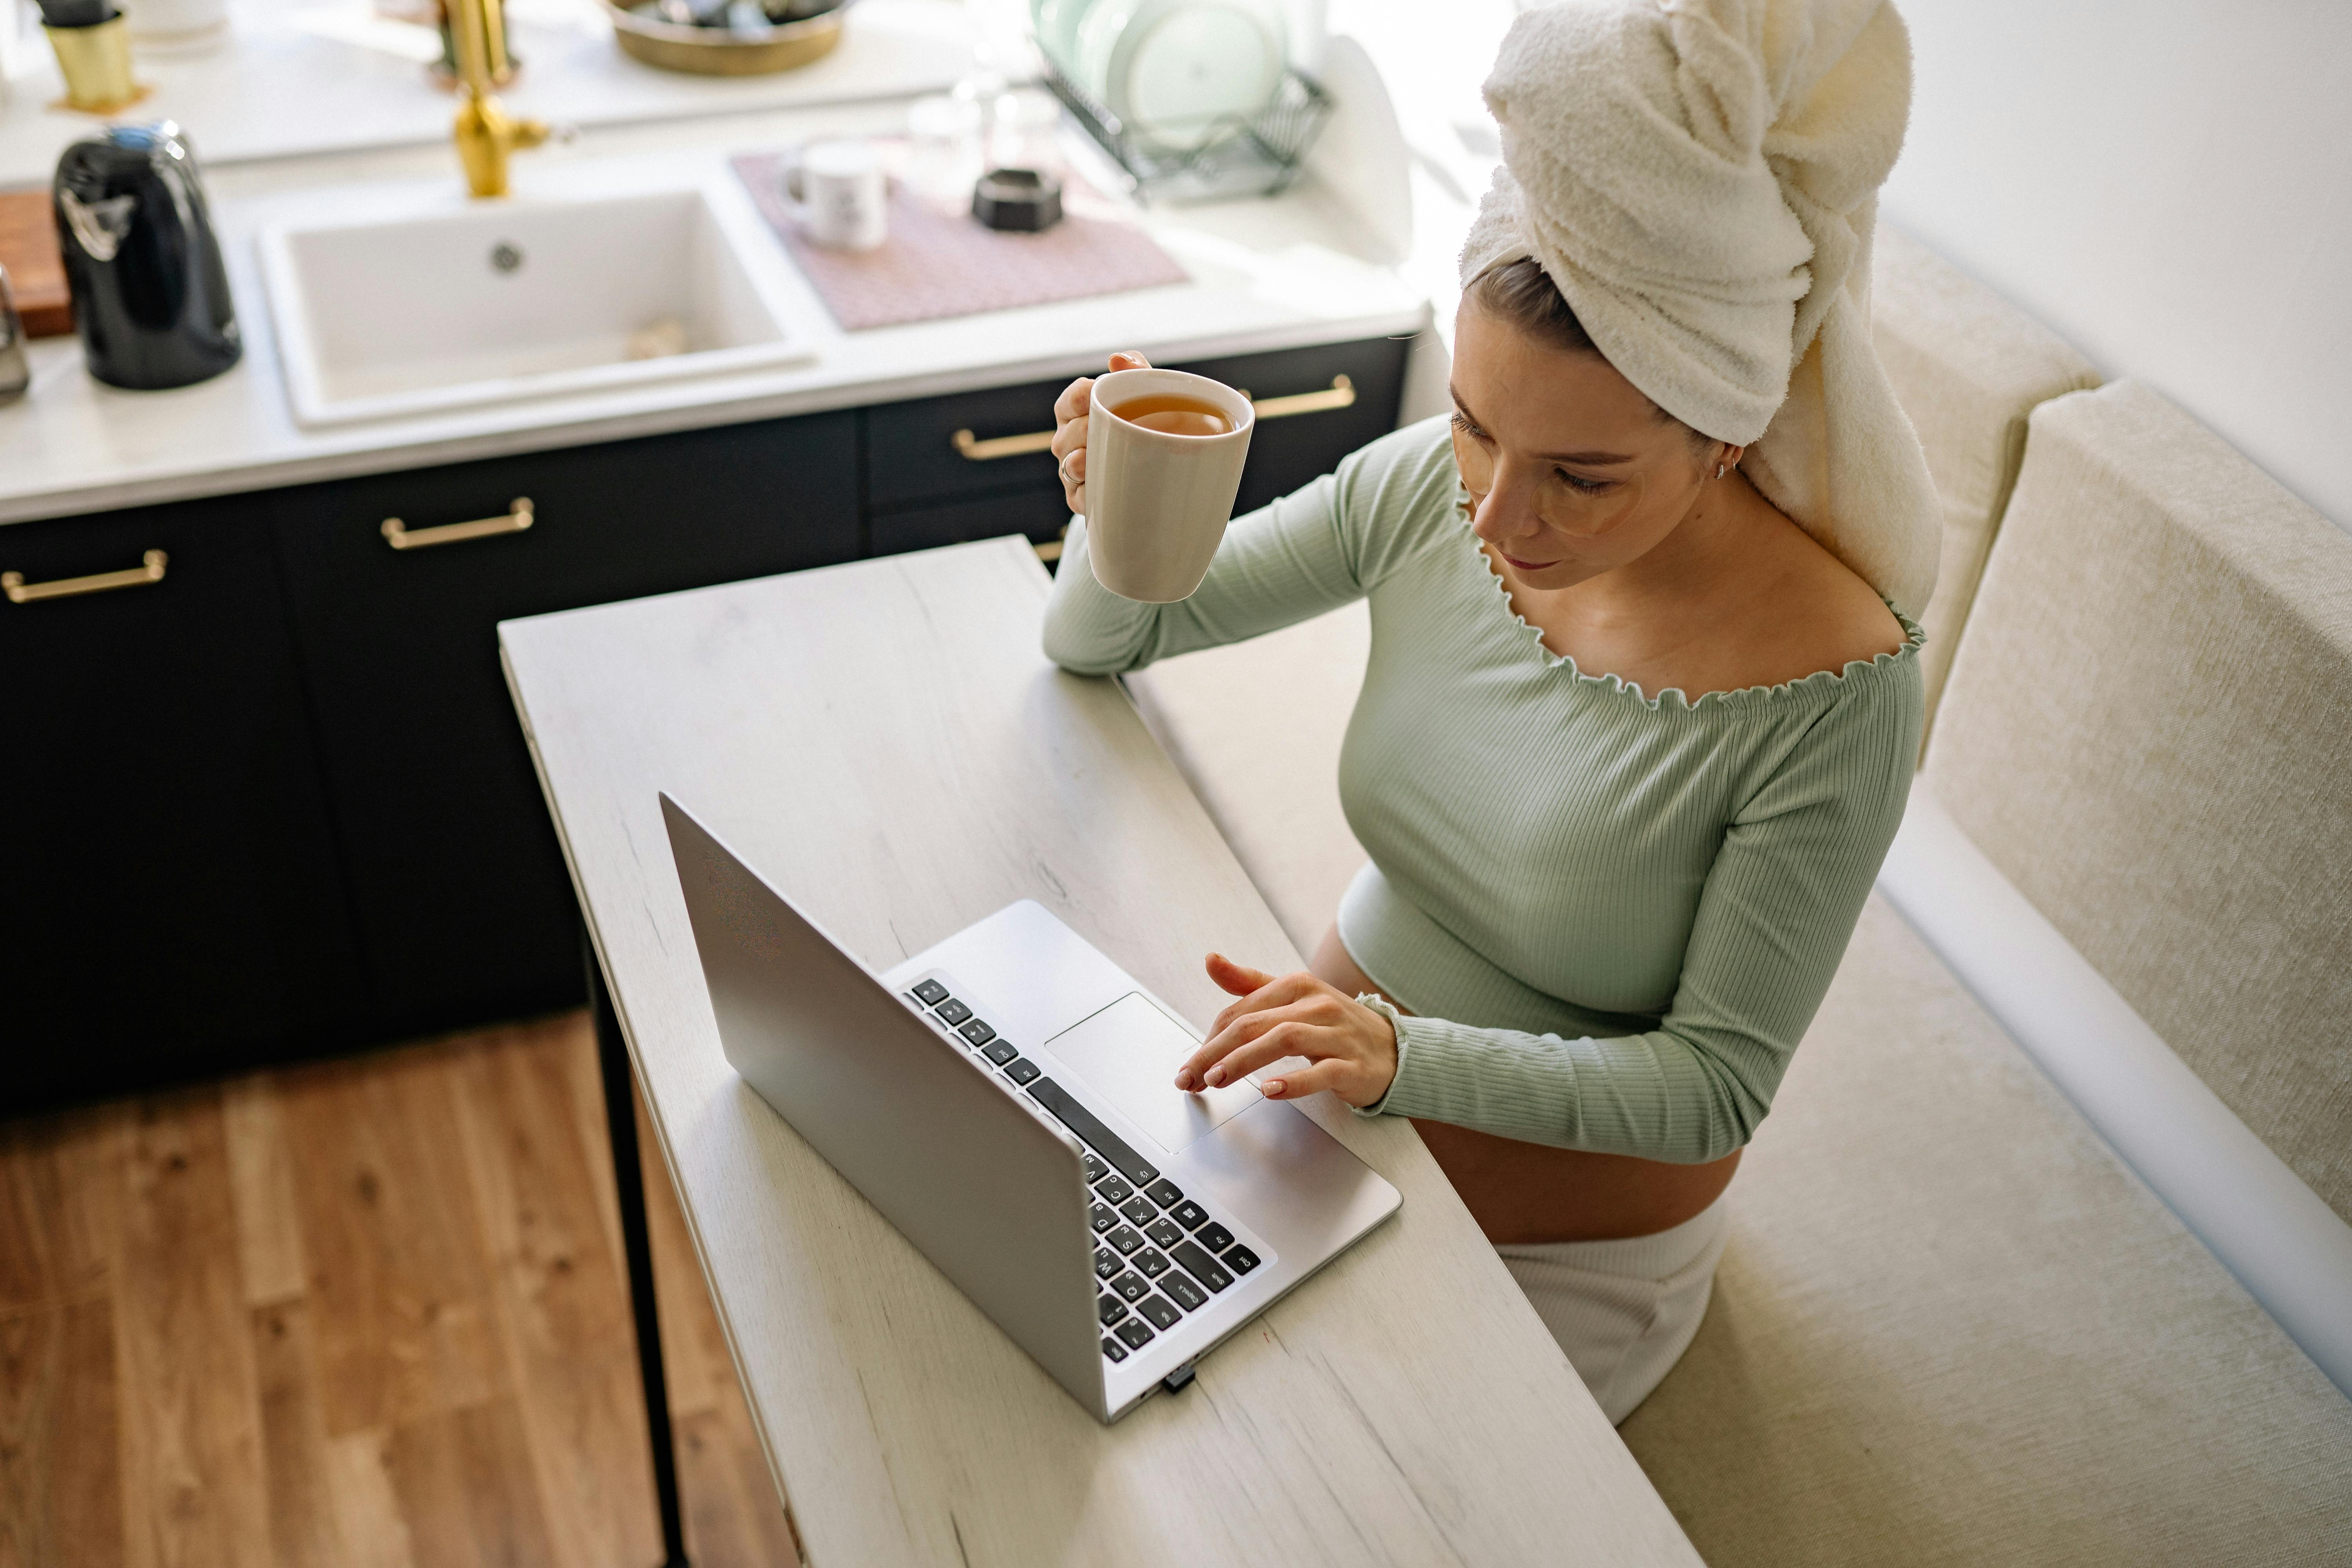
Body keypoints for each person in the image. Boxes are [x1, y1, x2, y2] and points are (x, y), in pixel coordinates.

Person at [1040, 0, 1940, 1425]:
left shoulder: (1835, 690)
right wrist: (1116, 509)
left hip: (1566, 1236)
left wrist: (1405, 1058)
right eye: (1471, 421)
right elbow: (1107, 643)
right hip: (1329, 1102)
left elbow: (1718, 1087)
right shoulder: (1431, 488)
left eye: (1583, 479)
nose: (1499, 514)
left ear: (1724, 436)